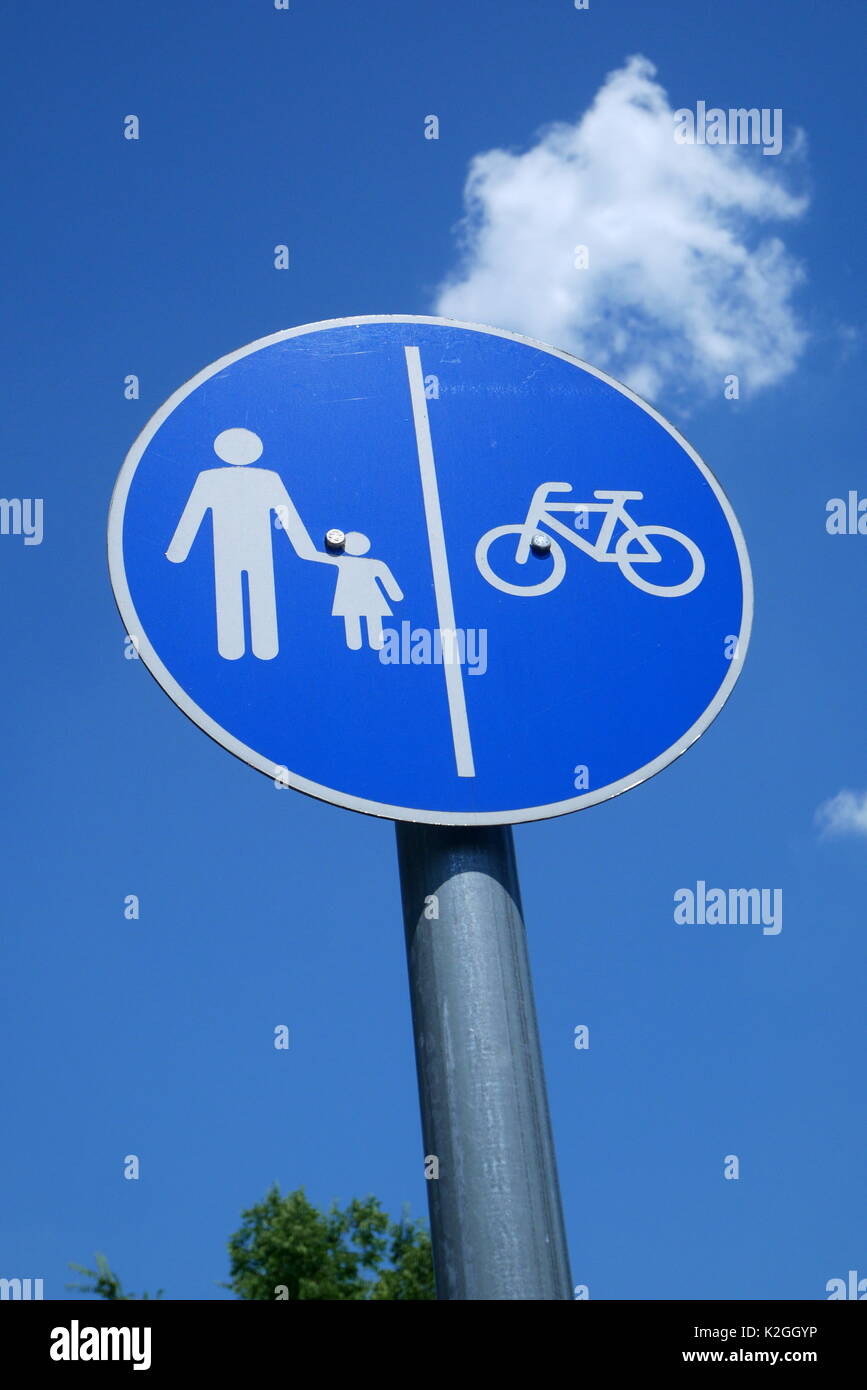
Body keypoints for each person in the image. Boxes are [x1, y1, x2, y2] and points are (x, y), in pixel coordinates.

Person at [165, 428, 318, 660]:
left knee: (240, 591)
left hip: (247, 546)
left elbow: (285, 513)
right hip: (236, 546)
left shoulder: (221, 478)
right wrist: (303, 548)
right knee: (248, 590)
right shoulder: (259, 478)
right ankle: (250, 648)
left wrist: (179, 552)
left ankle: (249, 648)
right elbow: (194, 513)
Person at [326, 532, 403, 650]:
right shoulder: (375, 563)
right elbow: (391, 587)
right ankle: (364, 645)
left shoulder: (344, 561)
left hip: (358, 597)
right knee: (359, 618)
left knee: (360, 618)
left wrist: (396, 594)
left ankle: (362, 645)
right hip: (363, 598)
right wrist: (395, 595)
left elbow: (310, 553)